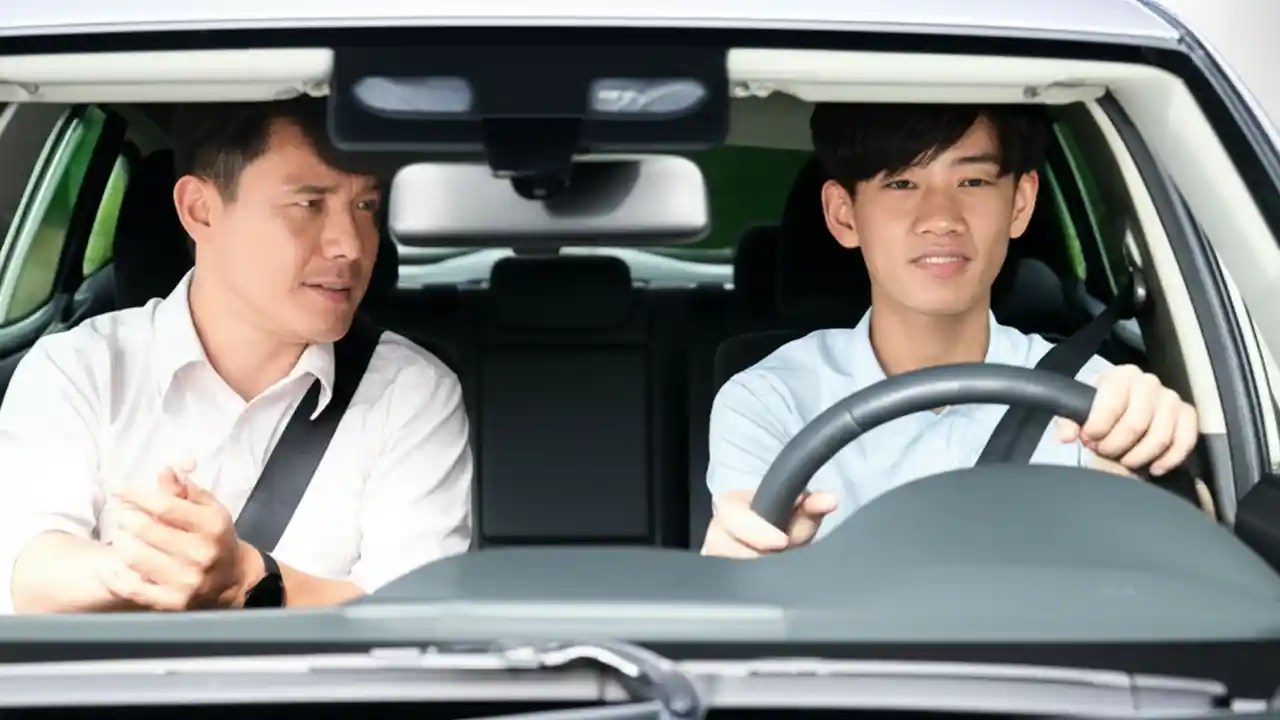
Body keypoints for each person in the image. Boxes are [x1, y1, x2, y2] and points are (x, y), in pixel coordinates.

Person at [0, 98, 473, 613]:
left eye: (365, 207)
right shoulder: (78, 369)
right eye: (310, 205)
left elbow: (416, 613)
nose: (351, 247)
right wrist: (143, 569)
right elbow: (28, 569)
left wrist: (247, 577)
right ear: (201, 211)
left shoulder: (411, 391)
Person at [701, 102, 1199, 559]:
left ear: (1020, 204)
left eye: (973, 182)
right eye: (900, 183)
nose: (940, 219)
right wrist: (741, 559)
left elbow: (1182, 578)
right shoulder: (771, 399)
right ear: (843, 214)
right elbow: (747, 560)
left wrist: (1157, 464)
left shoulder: (1099, 399)